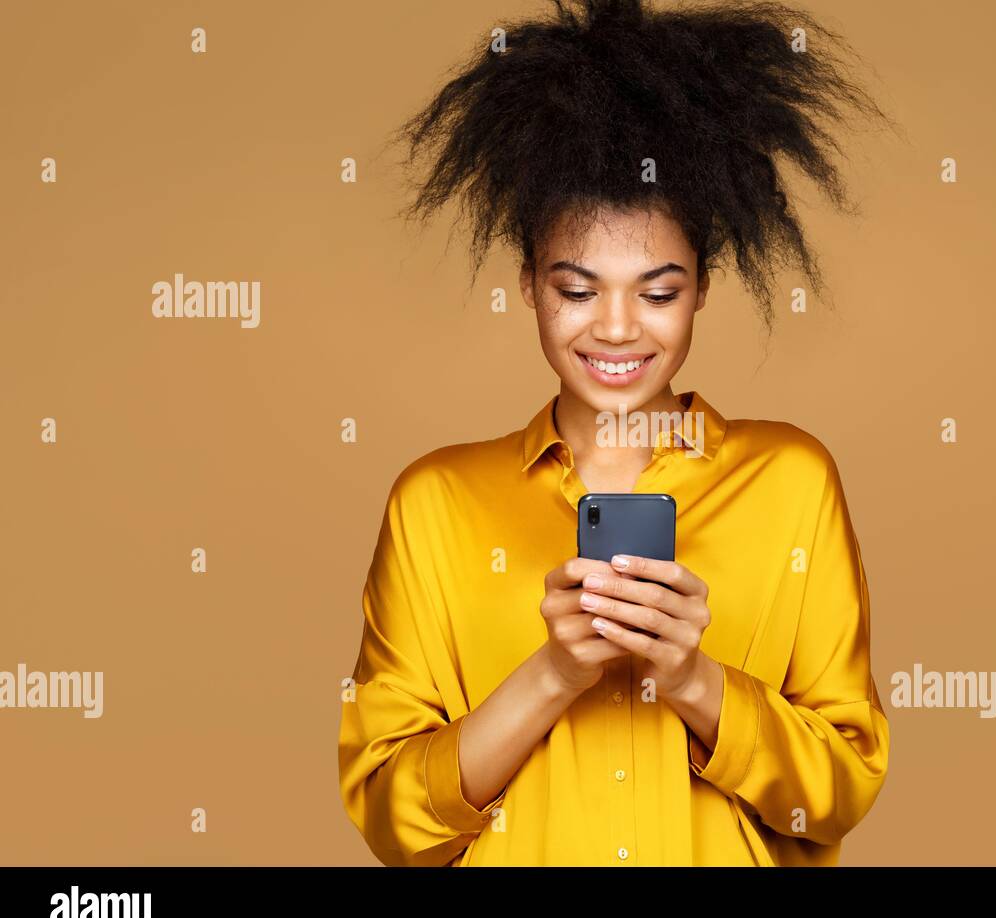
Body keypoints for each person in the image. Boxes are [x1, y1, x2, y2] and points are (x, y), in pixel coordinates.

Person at [338, 0, 897, 866]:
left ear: (705, 285)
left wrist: (695, 681)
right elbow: (393, 821)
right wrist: (554, 674)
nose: (617, 329)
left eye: (659, 291)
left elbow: (837, 794)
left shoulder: (792, 480)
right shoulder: (436, 504)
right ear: (527, 282)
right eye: (576, 288)